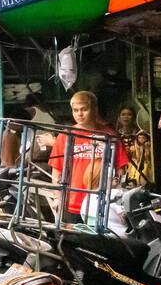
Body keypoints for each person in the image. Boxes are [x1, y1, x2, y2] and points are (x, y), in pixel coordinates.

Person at [49, 90, 128, 224]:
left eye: (84, 109)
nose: (79, 114)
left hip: (101, 201)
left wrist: (117, 190)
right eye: (76, 110)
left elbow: (120, 167)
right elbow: (57, 170)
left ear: (95, 109)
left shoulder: (109, 135)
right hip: (72, 203)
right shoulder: (65, 136)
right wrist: (57, 197)